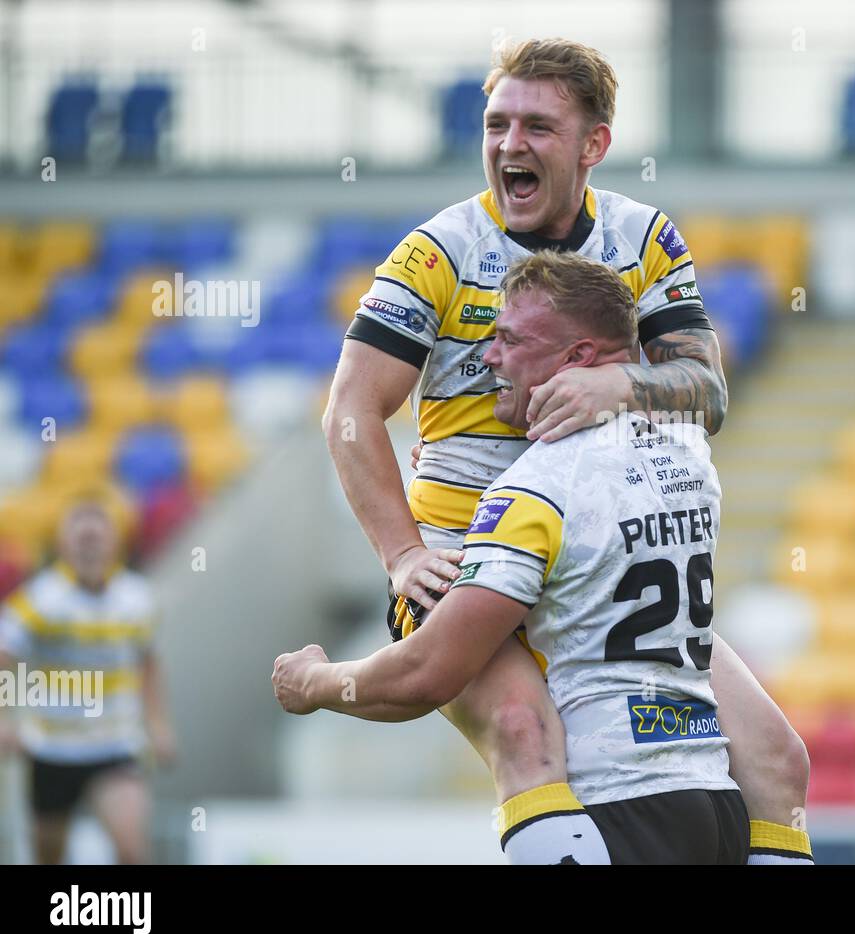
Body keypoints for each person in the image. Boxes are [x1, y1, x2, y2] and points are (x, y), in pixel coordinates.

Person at [323, 37, 810, 863]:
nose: (510, 145)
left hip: (598, 569)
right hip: (470, 566)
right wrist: (404, 555)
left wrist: (619, 387)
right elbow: (349, 412)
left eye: (538, 128)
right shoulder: (435, 252)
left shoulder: (645, 237)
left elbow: (709, 391)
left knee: (775, 759)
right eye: (497, 123)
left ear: (594, 145)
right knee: (523, 730)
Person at [278, 252, 750, 864]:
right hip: (718, 803)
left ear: (578, 358)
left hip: (618, 810)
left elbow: (428, 673)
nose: (488, 357)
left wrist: (316, 683)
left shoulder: (537, 491)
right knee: (781, 756)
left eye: (507, 339)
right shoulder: (689, 456)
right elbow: (701, 391)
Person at [0, 496, 176, 864]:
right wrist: (5, 718)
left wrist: (157, 724)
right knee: (50, 856)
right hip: (52, 747)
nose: (89, 546)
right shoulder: (40, 600)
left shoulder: (136, 598)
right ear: (64, 545)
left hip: (114, 744)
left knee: (131, 850)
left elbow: (148, 662)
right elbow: (5, 655)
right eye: (81, 538)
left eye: (97, 537)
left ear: (115, 543)